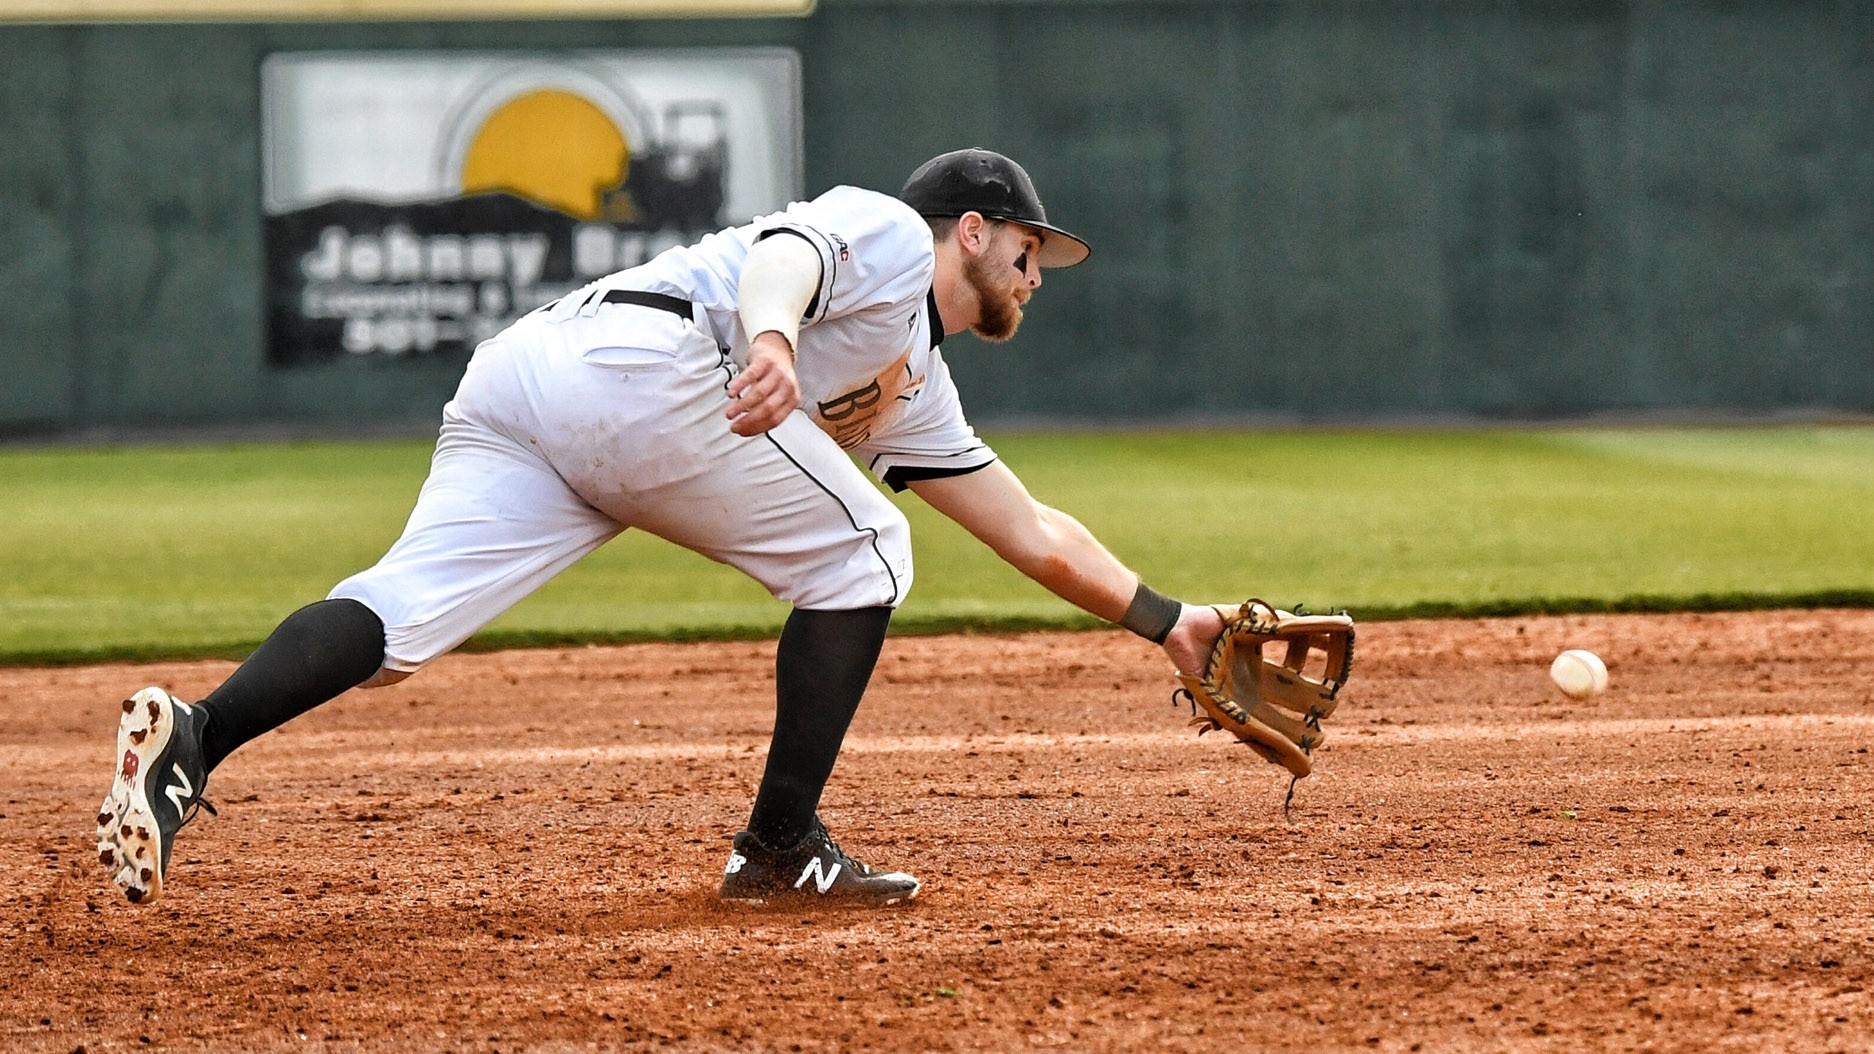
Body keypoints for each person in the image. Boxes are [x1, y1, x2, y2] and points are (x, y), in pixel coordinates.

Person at [95, 148, 1227, 907]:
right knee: (867, 551)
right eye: (1027, 251)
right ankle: (778, 849)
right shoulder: (887, 232)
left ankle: (193, 741)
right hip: (661, 362)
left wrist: (1168, 621)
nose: (1036, 273)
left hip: (538, 378)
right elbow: (786, 258)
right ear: (969, 231)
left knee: (390, 623)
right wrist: (776, 341)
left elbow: (1026, 528)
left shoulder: (912, 386)